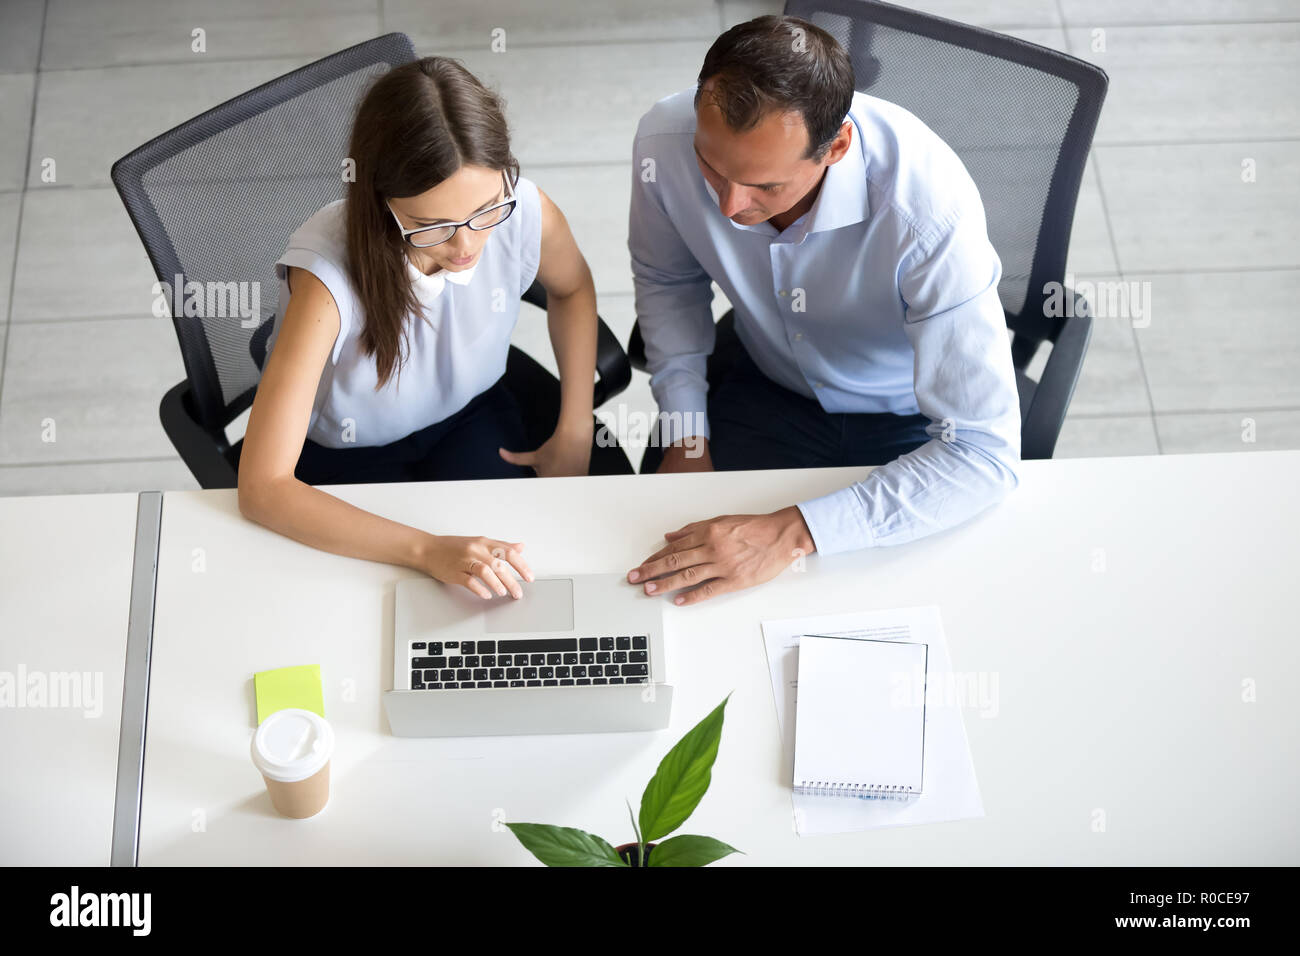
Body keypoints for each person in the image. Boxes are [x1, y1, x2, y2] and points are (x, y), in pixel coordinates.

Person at [625, 15, 1022, 605]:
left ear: (835, 147)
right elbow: (668, 281)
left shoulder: (928, 212)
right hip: (765, 381)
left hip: (906, 415)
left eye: (766, 186)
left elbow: (984, 453)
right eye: (714, 170)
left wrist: (791, 533)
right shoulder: (664, 142)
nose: (731, 206)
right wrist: (686, 436)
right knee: (676, 583)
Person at [239, 57, 599, 601]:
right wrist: (427, 550)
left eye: (484, 211)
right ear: (380, 204)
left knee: (525, 579)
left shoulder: (522, 207)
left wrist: (573, 430)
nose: (466, 247)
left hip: (468, 412)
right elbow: (263, 489)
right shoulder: (326, 277)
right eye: (433, 226)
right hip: (352, 452)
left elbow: (573, 291)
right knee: (368, 603)